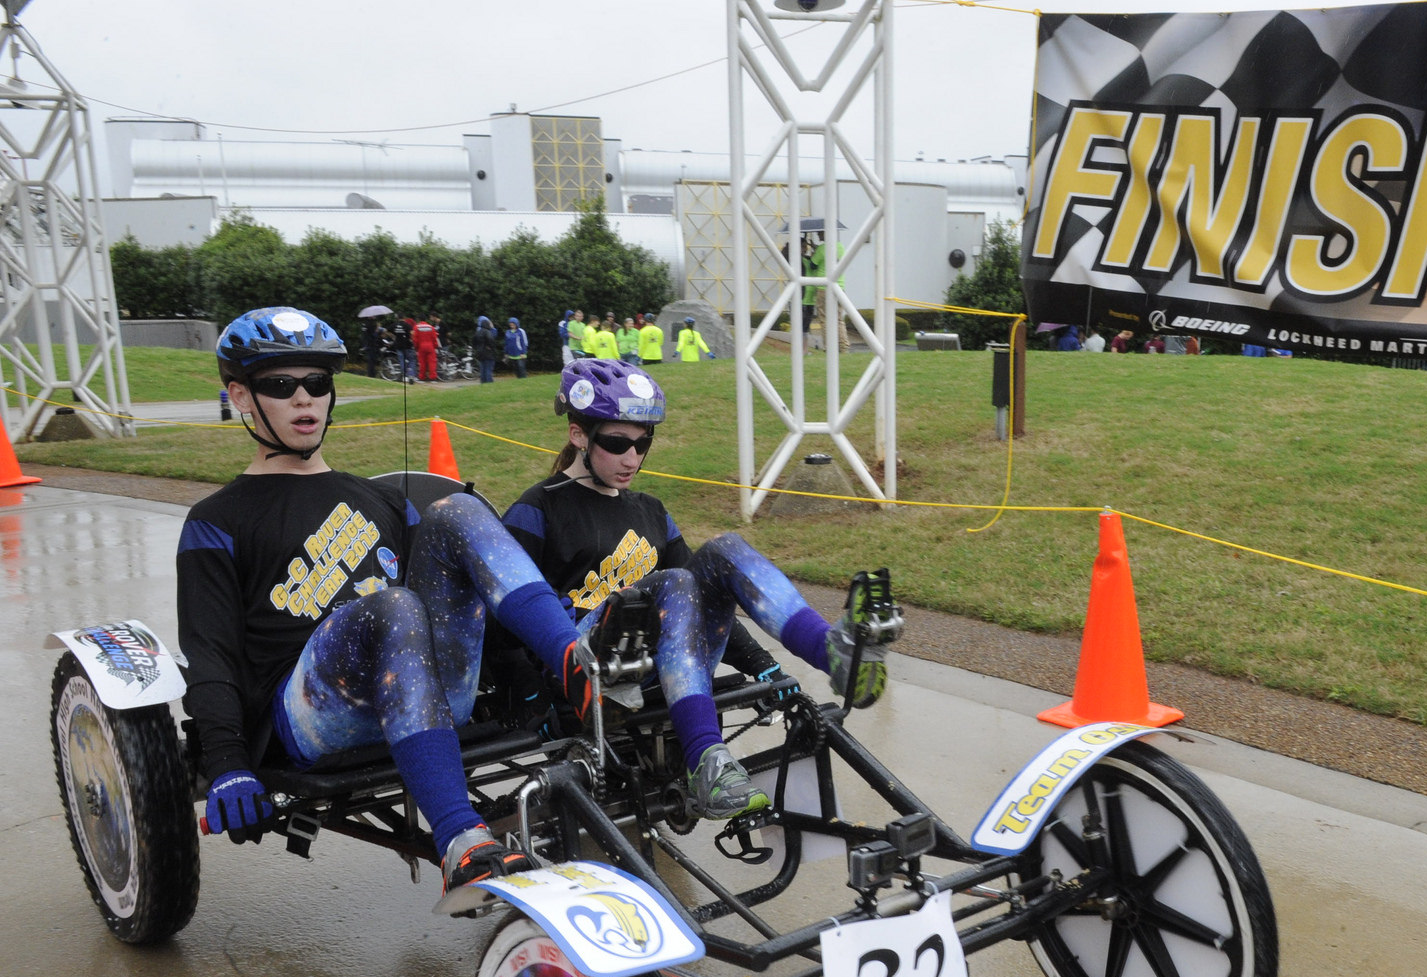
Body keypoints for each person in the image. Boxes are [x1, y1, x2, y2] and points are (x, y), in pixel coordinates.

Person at [177, 307, 602, 892]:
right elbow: (210, 653)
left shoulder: (381, 501)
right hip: (313, 712)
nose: (305, 400)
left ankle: (572, 660)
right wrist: (226, 763)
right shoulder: (215, 520)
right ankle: (460, 839)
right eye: (281, 386)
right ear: (241, 396)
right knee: (394, 606)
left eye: (317, 384)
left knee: (459, 510)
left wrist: (527, 688)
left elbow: (461, 601)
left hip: (426, 691)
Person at [502, 360, 894, 818]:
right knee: (675, 582)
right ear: (577, 435)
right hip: (589, 671)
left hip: (667, 659)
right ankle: (705, 759)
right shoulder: (537, 509)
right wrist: (530, 694)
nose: (633, 458)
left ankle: (836, 655)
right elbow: (506, 615)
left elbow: (700, 597)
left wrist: (762, 666)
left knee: (723, 550)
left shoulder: (650, 509)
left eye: (643, 443)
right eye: (617, 443)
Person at [473, 315, 499, 384]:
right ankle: (489, 382)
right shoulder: (487, 332)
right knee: (488, 369)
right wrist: (492, 348)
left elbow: (474, 342)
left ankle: (483, 382)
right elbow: (491, 340)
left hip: (480, 353)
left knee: (482, 369)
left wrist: (477, 348)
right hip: (488, 353)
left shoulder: (477, 332)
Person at [414, 314, 440, 382]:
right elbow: (434, 338)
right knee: (432, 363)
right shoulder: (431, 327)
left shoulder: (417, 327)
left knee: (422, 363)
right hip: (430, 346)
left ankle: (422, 377)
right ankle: (433, 378)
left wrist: (416, 347)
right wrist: (435, 346)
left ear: (419, 320)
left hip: (421, 347)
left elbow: (415, 339)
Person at [394, 317, 418, 381]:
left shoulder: (395, 325)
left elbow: (387, 330)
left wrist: (394, 337)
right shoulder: (408, 325)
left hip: (399, 346)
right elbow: (413, 333)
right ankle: (411, 375)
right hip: (408, 346)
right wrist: (411, 339)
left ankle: (405, 376)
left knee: (402, 360)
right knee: (411, 360)